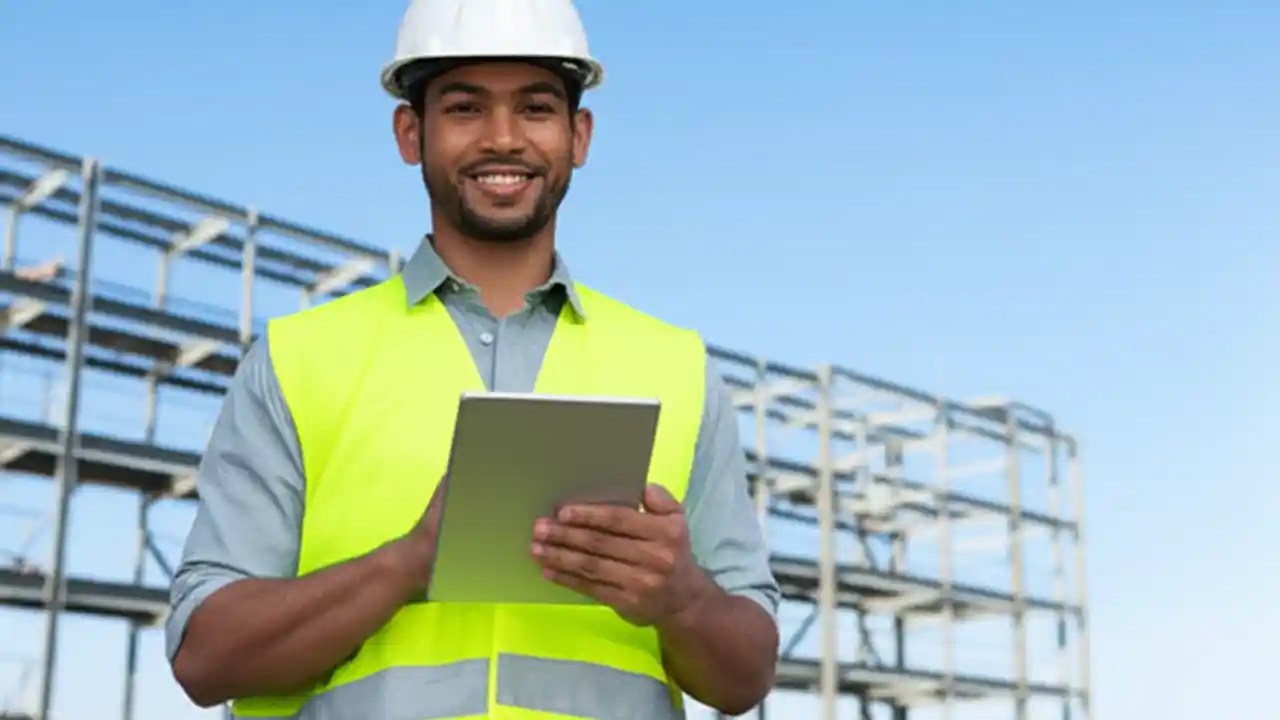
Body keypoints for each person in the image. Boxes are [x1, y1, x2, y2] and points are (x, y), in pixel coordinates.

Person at [164, 0, 781, 717]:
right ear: (409, 132)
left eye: (536, 109)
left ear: (579, 135)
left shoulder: (677, 368)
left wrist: (681, 598)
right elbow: (205, 657)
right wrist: (410, 562)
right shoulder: (298, 360)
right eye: (464, 108)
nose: (503, 139)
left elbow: (746, 677)